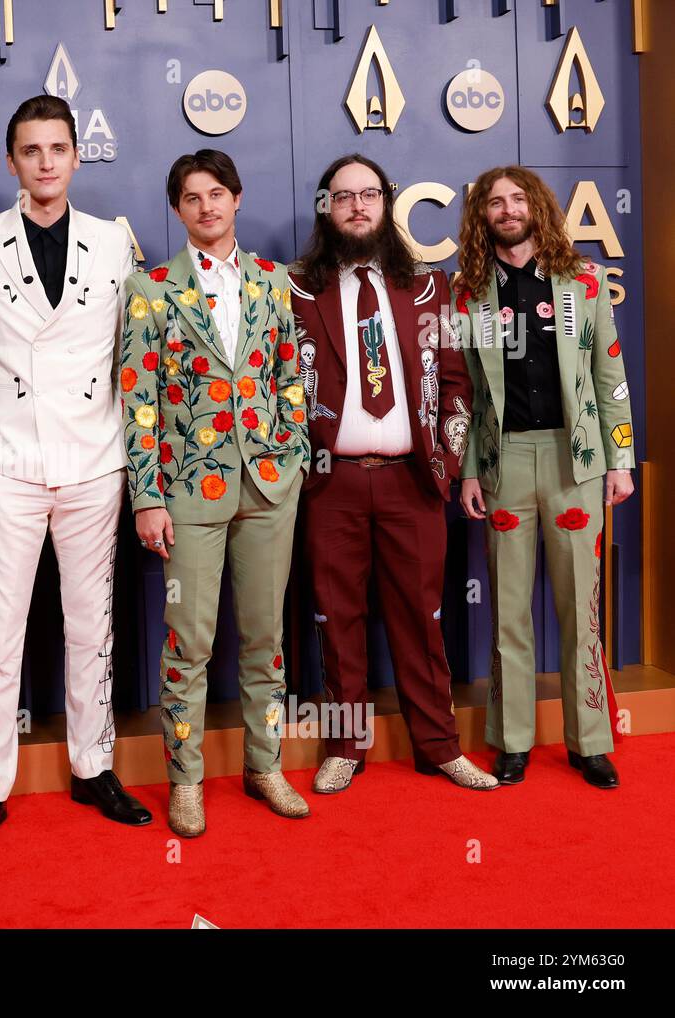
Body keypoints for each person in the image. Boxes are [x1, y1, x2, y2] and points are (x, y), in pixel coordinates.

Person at [0, 95, 150, 857]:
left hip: (96, 460)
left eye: (58, 148)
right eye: (31, 151)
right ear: (12, 161)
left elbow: (131, 359)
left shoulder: (112, 243)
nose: (46, 162)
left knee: (92, 627)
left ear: (75, 155)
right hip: (7, 466)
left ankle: (94, 768)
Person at [289, 154, 497, 794]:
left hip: (413, 481)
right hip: (333, 481)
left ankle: (439, 745)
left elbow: (457, 384)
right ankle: (346, 746)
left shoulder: (431, 289)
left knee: (421, 615)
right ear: (327, 207)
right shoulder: (297, 289)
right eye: (343, 195)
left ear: (386, 204)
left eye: (369, 194)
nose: (357, 205)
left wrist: (449, 460)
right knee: (337, 618)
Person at [120, 149, 311, 836]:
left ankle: (266, 767)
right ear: (178, 209)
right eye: (192, 197)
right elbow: (137, 399)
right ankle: (187, 780)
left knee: (265, 639)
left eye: (218, 194)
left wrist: (294, 455)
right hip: (186, 494)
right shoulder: (151, 288)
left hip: (268, 485)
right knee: (188, 644)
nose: (207, 207)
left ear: (236, 199)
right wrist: (146, 496)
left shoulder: (274, 280)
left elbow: (291, 374)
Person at [455, 165, 634, 789]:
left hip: (575, 459)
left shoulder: (581, 282)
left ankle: (590, 742)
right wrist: (470, 471)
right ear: (482, 219)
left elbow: (610, 377)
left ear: (537, 207)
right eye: (494, 204)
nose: (507, 210)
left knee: (580, 605)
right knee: (508, 609)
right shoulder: (469, 291)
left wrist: (621, 460)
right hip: (504, 459)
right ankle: (512, 740)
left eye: (516, 199)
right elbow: (475, 394)